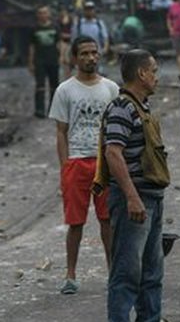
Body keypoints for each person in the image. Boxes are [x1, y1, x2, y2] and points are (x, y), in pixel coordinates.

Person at [99, 49, 170, 322]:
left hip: (151, 198)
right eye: (153, 71)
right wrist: (131, 197)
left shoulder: (142, 106)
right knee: (127, 273)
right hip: (136, 201)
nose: (156, 77)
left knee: (152, 273)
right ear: (141, 73)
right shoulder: (121, 107)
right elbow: (112, 154)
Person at [48, 35, 119, 295]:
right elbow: (60, 132)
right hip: (77, 162)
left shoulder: (111, 88)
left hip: (104, 163)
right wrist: (65, 165)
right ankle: (70, 275)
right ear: (75, 58)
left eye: (94, 52)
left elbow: (117, 126)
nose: (91, 57)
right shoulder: (65, 90)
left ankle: (114, 272)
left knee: (107, 220)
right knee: (75, 223)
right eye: (85, 53)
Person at [28, 5, 61, 119]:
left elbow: (59, 44)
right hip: (39, 61)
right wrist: (31, 62)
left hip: (53, 60)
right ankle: (39, 109)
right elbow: (31, 47)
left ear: (49, 14)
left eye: (45, 12)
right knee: (40, 86)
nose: (43, 15)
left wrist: (61, 57)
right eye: (40, 13)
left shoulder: (55, 27)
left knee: (54, 86)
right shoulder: (34, 29)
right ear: (37, 15)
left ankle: (53, 109)